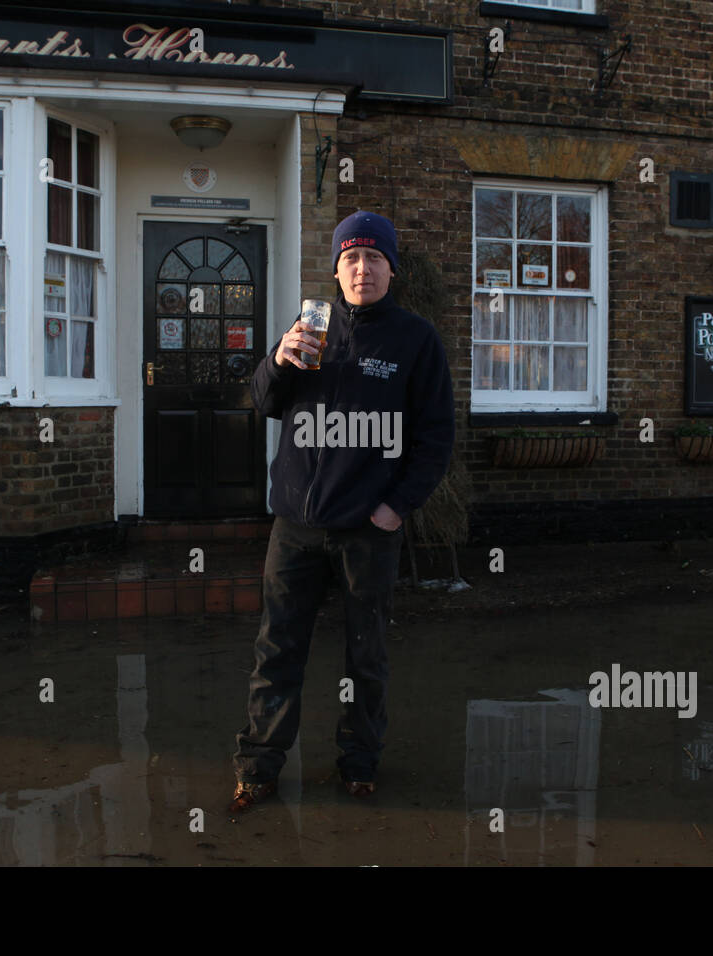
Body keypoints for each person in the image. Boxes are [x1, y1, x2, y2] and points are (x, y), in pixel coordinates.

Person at [230, 210, 455, 811]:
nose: (363, 269)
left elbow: (436, 438)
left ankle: (359, 763)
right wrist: (278, 360)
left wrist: (395, 508)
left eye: (374, 258)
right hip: (295, 529)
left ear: (391, 268)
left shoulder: (415, 340)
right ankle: (257, 768)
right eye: (351, 258)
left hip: (368, 530)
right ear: (336, 268)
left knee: (366, 655)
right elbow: (263, 403)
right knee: (276, 651)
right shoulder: (310, 330)